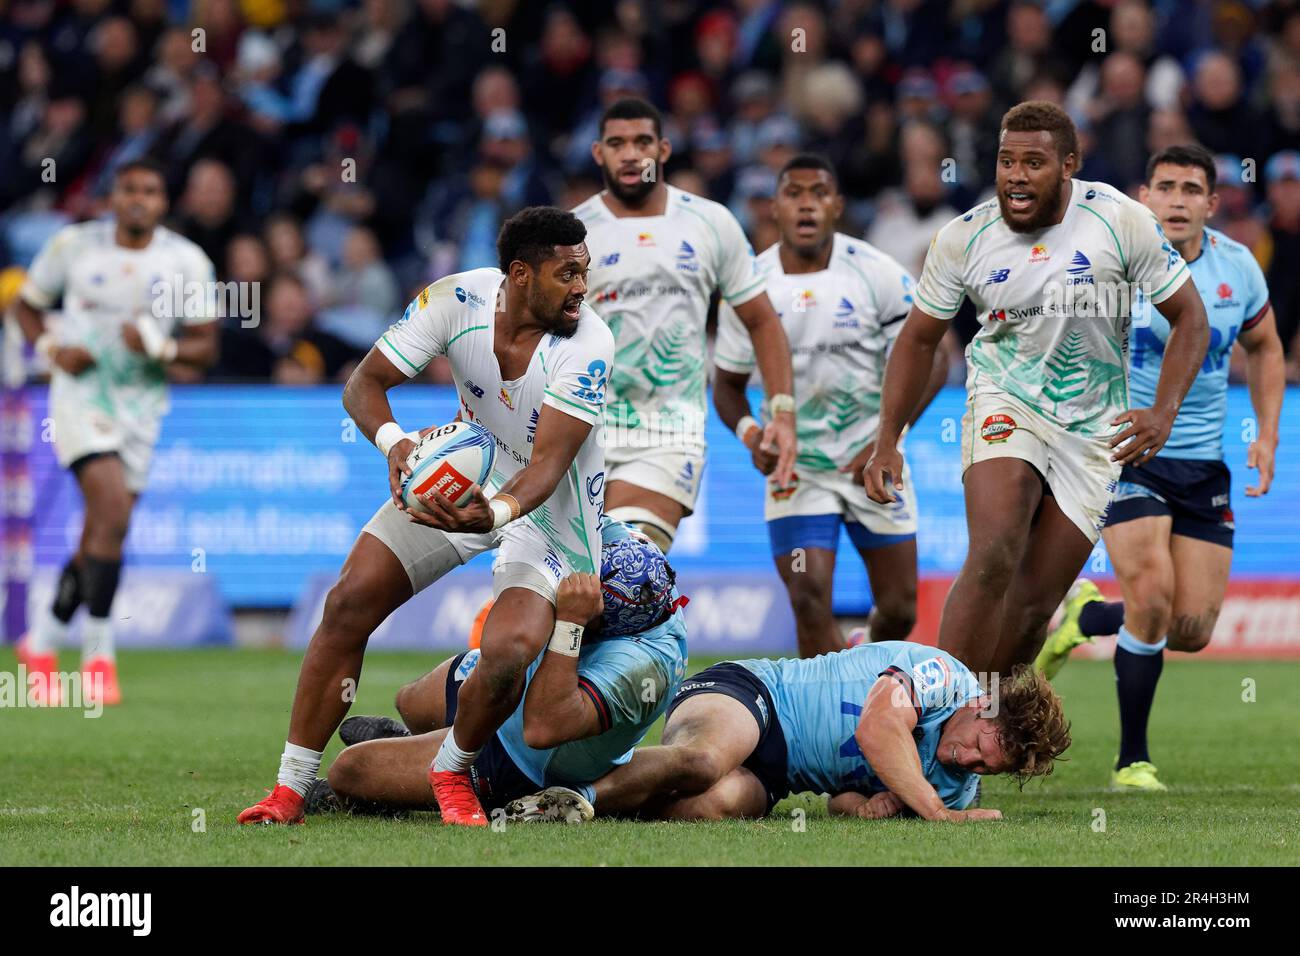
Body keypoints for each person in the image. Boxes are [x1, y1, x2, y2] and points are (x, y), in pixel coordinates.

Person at [238, 206, 614, 827]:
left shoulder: (589, 343)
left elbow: (546, 468)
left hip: (553, 515)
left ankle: (451, 766)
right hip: (464, 481)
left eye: (584, 271)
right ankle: (290, 790)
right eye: (566, 273)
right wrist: (397, 445)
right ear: (519, 275)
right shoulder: (454, 299)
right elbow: (363, 385)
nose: (581, 287)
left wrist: (491, 513)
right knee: (348, 601)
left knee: (509, 650)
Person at [863, 101, 1210, 677]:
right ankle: (932, 715)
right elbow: (918, 341)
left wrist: (1164, 412)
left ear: (1069, 165)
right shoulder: (963, 238)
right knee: (993, 553)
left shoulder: (1122, 221)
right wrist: (888, 437)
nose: (1016, 176)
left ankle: (982, 721)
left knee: (1031, 607)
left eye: (1033, 162)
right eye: (1006, 162)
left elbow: (1191, 318)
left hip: (1096, 427)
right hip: (1005, 399)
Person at [1036, 144, 1285, 791]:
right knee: (1151, 596)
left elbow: (1264, 346)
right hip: (1125, 454)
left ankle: (1088, 619)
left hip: (1204, 463)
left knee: (1193, 628)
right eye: (1166, 186)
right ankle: (1132, 761)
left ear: (1212, 202)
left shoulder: (1238, 271)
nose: (1177, 199)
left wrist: (1267, 434)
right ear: (1144, 197)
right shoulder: (1115, 261)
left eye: (1191, 188)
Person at [712, 153, 945, 657]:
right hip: (800, 469)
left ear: (837, 205)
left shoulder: (877, 273)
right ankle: (834, 712)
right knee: (808, 595)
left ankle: (862, 660)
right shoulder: (748, 287)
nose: (806, 205)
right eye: (793, 194)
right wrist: (753, 435)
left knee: (901, 607)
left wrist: (889, 441)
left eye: (818, 193)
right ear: (774, 207)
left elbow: (937, 359)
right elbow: (726, 386)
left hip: (873, 458)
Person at [309, 523, 688, 823]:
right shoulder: (631, 555)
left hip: (522, 757)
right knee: (409, 700)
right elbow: (564, 510)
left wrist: (571, 622)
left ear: (614, 628)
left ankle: (392, 788)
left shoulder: (640, 669)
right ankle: (419, 744)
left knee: (349, 771)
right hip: (519, 686)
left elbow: (543, 728)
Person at [14, 157, 219, 705]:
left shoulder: (185, 261)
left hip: (142, 406)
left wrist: (163, 348)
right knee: (111, 514)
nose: (138, 198)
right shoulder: (75, 247)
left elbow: (205, 346)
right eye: (128, 188)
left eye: (150, 190)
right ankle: (98, 659)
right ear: (112, 196)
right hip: (80, 397)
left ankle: (39, 644)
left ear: (163, 202)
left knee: (104, 533)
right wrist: (53, 349)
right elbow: (26, 307)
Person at [574, 96, 797, 554]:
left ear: (664, 150)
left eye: (642, 142)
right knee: (569, 593)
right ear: (599, 153)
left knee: (628, 566)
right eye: (617, 143)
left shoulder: (709, 222)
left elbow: (762, 321)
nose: (631, 154)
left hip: (668, 435)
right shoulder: (572, 231)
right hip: (576, 430)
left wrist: (782, 412)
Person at [507, 642, 1069, 823]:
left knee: (708, 806)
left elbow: (840, 798)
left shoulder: (955, 788)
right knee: (702, 761)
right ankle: (570, 800)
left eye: (983, 768)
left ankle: (527, 791)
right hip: (756, 694)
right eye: (977, 744)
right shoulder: (944, 676)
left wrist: (871, 806)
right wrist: (933, 812)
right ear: (982, 703)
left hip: (778, 775)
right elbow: (879, 728)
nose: (967, 760)